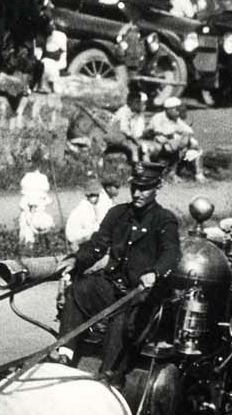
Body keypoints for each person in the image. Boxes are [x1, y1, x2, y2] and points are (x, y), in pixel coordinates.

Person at [54, 161, 181, 382]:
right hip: (111, 287)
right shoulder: (118, 214)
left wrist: (155, 273)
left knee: (122, 321)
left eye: (145, 189)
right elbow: (97, 245)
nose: (138, 194)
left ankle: (109, 375)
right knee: (78, 290)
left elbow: (171, 254)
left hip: (140, 296)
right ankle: (65, 355)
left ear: (157, 187)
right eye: (135, 188)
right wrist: (76, 260)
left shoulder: (164, 220)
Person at [147, 97, 205, 181]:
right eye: (176, 109)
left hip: (171, 143)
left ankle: (199, 175)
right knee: (174, 143)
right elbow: (159, 133)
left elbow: (189, 131)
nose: (178, 111)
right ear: (168, 109)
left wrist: (182, 135)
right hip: (156, 142)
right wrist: (176, 135)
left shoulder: (176, 119)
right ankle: (170, 173)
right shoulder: (158, 117)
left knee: (194, 145)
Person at [64, 174, 114, 249]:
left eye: (96, 195)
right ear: (87, 196)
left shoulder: (90, 206)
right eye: (92, 195)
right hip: (75, 237)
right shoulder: (85, 208)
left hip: (80, 234)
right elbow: (90, 226)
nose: (94, 198)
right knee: (98, 230)